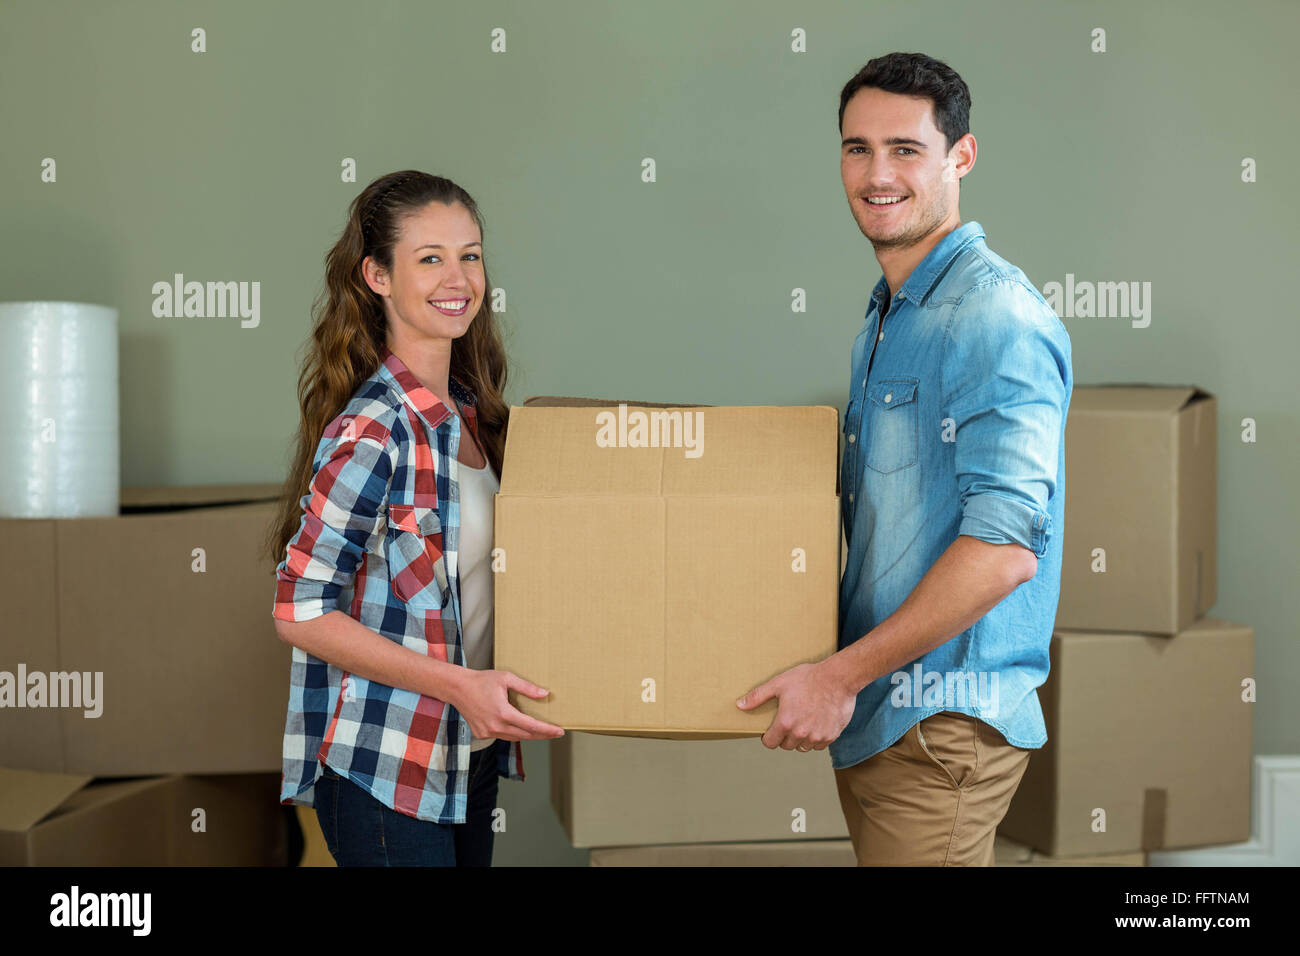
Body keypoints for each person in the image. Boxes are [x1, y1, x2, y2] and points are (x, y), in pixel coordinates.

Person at [737, 52, 1073, 866]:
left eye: (905, 149)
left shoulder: (992, 317)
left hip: (939, 726)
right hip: (890, 718)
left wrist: (839, 676)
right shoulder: (893, 315)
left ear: (961, 157)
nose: (877, 173)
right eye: (858, 148)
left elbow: (1003, 552)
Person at [264, 170, 564, 867]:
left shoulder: (472, 416)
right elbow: (297, 610)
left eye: (470, 254)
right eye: (429, 258)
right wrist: (462, 687)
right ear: (377, 276)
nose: (457, 277)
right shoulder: (375, 429)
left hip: (469, 755)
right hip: (387, 766)